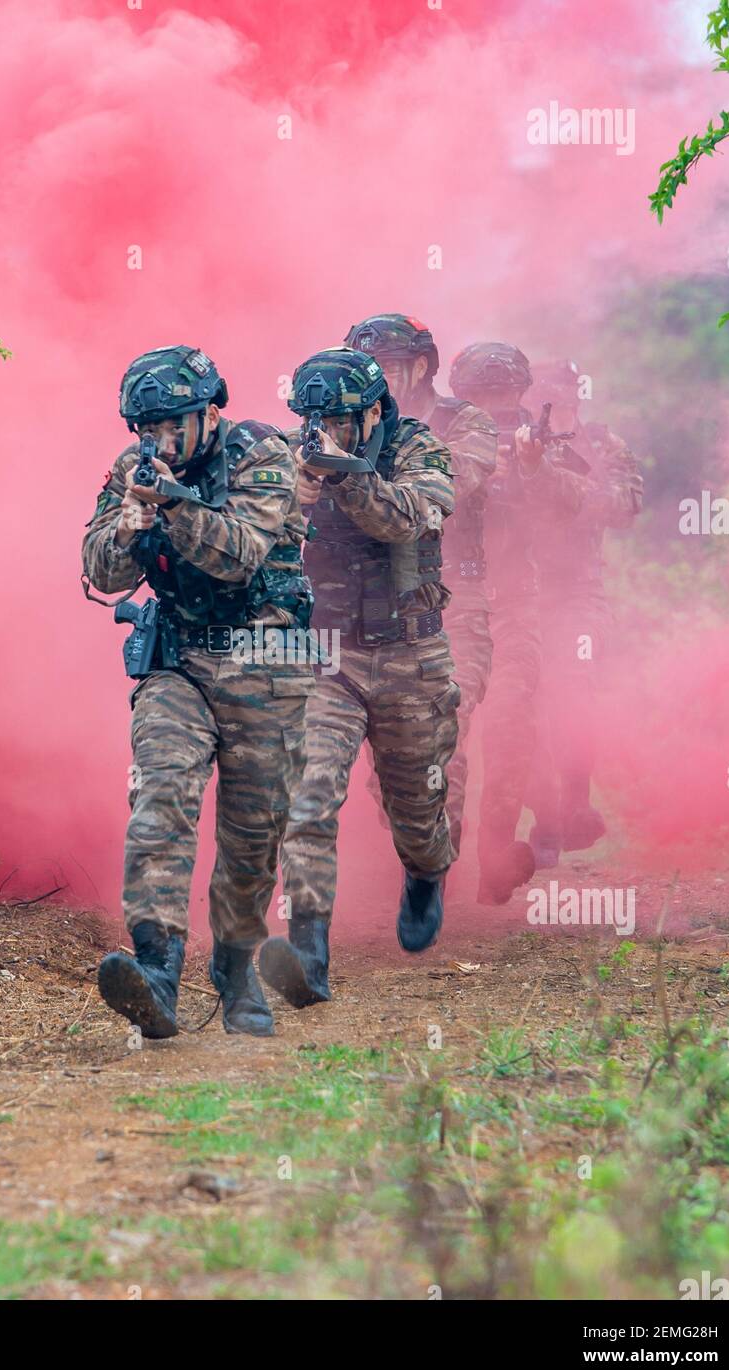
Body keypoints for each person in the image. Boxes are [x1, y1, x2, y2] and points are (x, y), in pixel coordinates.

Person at [82, 345, 315, 1038]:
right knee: (160, 799)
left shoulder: (262, 455)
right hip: (178, 664)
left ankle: (237, 969)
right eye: (144, 430)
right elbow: (101, 571)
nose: (156, 442)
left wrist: (171, 510)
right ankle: (156, 971)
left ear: (209, 411)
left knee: (252, 835)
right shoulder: (136, 471)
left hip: (264, 667)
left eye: (170, 425)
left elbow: (241, 553)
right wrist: (129, 522)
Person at [259, 346, 460, 1010]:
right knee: (309, 797)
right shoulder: (296, 453)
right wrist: (295, 495)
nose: (329, 431)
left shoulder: (416, 445)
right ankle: (309, 956)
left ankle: (426, 873)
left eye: (342, 419)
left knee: (416, 814)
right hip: (326, 658)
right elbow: (249, 543)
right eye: (318, 420)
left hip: (411, 658)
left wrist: (346, 477)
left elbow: (413, 518)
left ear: (375, 409)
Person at [344, 314, 497, 857]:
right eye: (367, 367)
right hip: (367, 604)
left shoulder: (466, 423)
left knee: (444, 721)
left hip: (451, 598)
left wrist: (362, 474)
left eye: (387, 366)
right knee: (388, 752)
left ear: (421, 366)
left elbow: (453, 481)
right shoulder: (343, 422)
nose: (377, 377)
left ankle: (436, 868)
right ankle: (422, 847)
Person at [448, 342, 589, 904]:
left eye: (505, 395)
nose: (497, 406)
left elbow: (575, 504)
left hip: (514, 604)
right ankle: (429, 856)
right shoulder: (436, 438)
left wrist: (532, 469)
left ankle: (496, 856)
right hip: (449, 602)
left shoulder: (542, 439)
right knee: (441, 729)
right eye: (484, 395)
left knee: (509, 724)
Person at [524, 359, 644, 865]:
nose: (560, 407)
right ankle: (545, 815)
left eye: (568, 397)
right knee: (514, 706)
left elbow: (625, 505)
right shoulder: (508, 439)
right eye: (548, 398)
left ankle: (575, 802)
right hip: (515, 590)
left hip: (576, 589)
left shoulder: (600, 443)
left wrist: (564, 473)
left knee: (575, 687)